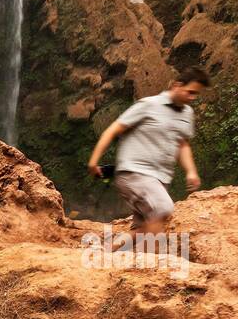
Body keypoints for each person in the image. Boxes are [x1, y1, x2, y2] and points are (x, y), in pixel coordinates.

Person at [87, 67, 210, 246]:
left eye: (196, 94)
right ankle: (151, 265)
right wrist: (93, 162)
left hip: (160, 178)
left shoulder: (187, 113)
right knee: (163, 208)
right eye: (190, 92)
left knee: (145, 226)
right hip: (134, 172)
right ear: (177, 85)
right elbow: (113, 130)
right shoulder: (149, 105)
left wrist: (191, 171)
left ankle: (109, 250)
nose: (192, 98)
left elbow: (182, 144)